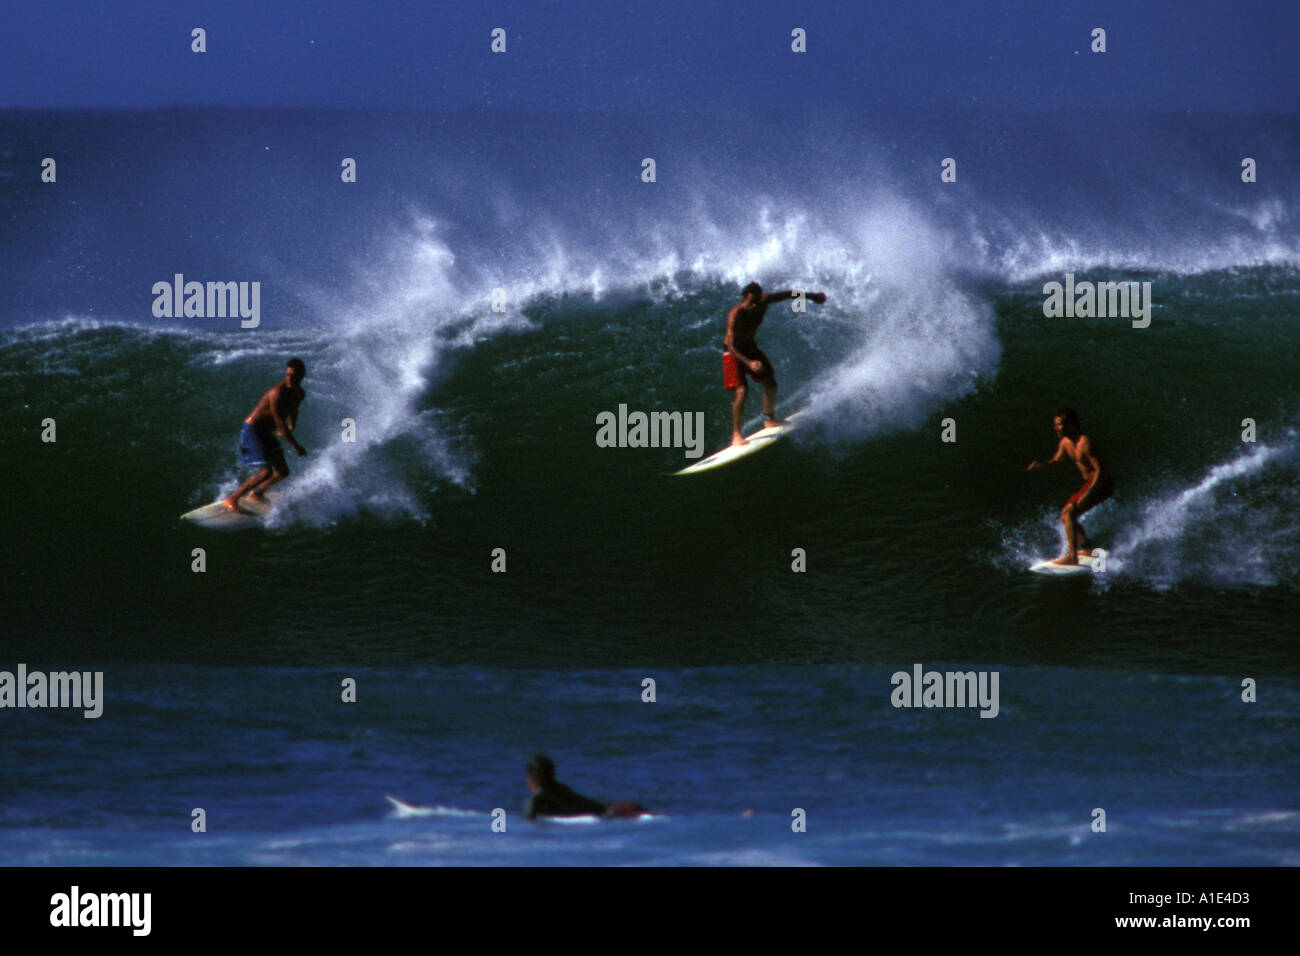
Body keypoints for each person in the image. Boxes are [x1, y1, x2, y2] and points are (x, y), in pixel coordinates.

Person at [723, 282, 826, 446]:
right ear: (744, 299)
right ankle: (736, 435)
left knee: (771, 385)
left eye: (757, 300)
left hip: (750, 348)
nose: (755, 305)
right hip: (733, 352)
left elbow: (790, 294)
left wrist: (813, 297)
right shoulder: (736, 314)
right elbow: (731, 345)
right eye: (751, 301)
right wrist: (749, 363)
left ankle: (769, 420)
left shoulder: (764, 301)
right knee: (742, 391)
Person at [1027, 407, 1113, 565]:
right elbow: (1056, 463)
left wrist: (1089, 493)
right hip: (1090, 484)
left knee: (1068, 513)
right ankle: (1087, 547)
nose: (1056, 428)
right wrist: (1041, 465)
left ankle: (1072, 557)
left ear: (1071, 424)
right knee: (1067, 515)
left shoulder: (1085, 442)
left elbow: (1101, 470)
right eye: (1055, 424)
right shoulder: (1065, 442)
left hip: (1101, 483)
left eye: (1059, 424)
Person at [221, 358, 307, 513]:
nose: (289, 379)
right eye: (287, 375)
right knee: (266, 471)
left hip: (266, 432)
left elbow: (293, 409)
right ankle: (232, 498)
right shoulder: (277, 392)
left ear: (302, 375)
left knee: (282, 472)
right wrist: (295, 445)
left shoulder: (299, 393)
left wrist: (293, 424)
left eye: (293, 376)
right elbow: (279, 421)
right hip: (253, 429)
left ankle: (257, 493)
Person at [524, 754, 646, 820]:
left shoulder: (536, 801)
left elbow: (530, 817)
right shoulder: (561, 789)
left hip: (606, 813)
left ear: (531, 779)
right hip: (607, 810)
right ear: (553, 774)